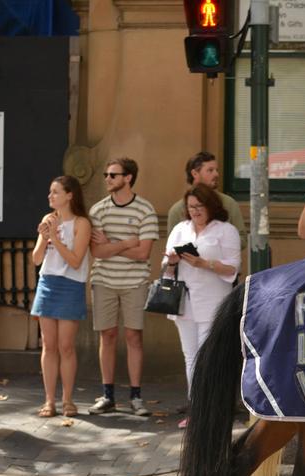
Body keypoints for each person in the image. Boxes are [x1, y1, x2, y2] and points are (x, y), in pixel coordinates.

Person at [163, 184, 241, 428]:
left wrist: (203, 263)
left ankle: (215, 411)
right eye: (191, 207)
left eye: (199, 206)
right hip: (184, 301)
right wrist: (172, 261)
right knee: (190, 357)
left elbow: (232, 268)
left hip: (214, 301)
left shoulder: (226, 231)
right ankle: (196, 409)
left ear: (211, 206)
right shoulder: (180, 229)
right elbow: (165, 266)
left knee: (211, 357)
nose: (195, 211)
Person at [87, 158, 158, 416]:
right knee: (107, 336)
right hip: (104, 280)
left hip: (135, 282)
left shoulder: (145, 210)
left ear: (128, 178)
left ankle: (136, 397)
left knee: (133, 337)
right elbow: (97, 251)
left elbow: (144, 253)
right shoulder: (98, 210)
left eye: (113, 175)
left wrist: (111, 244)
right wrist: (126, 243)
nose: (107, 179)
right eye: (106, 174)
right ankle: (107, 396)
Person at [30, 176, 92, 418]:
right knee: (48, 345)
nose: (50, 196)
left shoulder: (81, 223)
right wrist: (45, 238)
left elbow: (76, 261)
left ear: (70, 195)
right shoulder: (48, 219)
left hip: (70, 285)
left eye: (55, 192)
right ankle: (49, 401)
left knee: (66, 346)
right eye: (50, 191)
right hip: (47, 283)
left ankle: (67, 400)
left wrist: (55, 238)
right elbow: (36, 259)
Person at [167, 152, 246, 248]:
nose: (216, 174)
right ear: (195, 173)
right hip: (190, 262)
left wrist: (217, 247)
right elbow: (173, 245)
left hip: (221, 262)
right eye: (210, 170)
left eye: (216, 170)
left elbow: (242, 239)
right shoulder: (177, 210)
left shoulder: (229, 203)